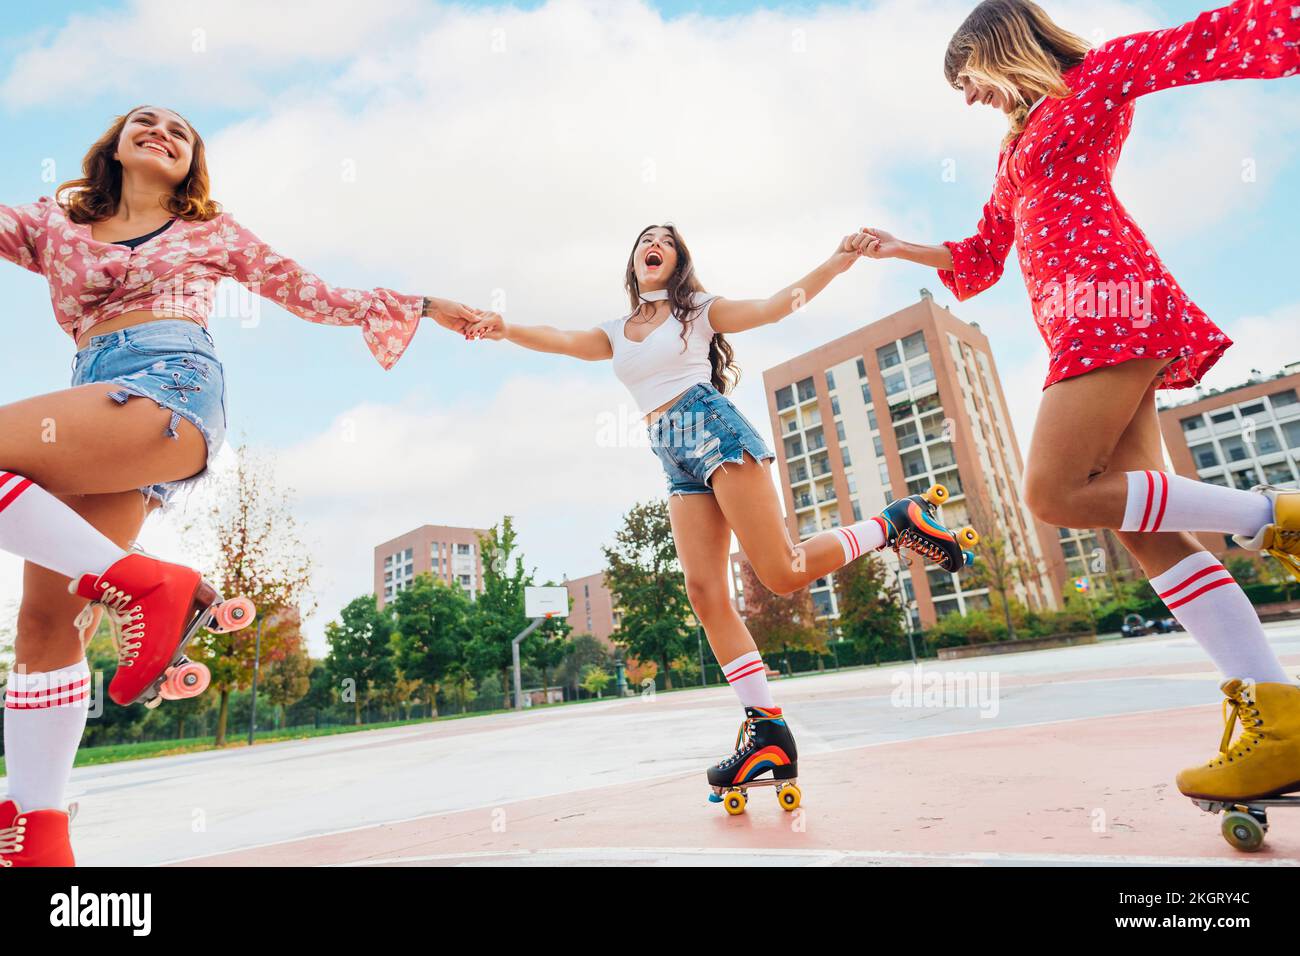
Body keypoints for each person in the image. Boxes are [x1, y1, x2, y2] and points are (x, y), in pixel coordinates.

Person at [0, 105, 484, 866]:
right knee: (44, 628)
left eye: (180, 132)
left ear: (192, 164)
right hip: (91, 406)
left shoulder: (212, 234)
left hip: (170, 383)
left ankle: (145, 585)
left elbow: (311, 293)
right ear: (113, 147)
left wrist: (418, 305)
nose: (161, 130)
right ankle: (40, 841)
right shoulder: (52, 227)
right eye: (144, 121)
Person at [858, 0, 1300, 805]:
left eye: (968, 79)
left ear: (1000, 47)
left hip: (1113, 298)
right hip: (1073, 317)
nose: (967, 98)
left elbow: (1206, 41)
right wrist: (898, 247)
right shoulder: (1013, 149)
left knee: (1052, 492)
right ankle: (1278, 715)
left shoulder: (1094, 79)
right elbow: (984, 254)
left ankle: (1273, 515)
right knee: (1146, 534)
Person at [460, 223, 976, 813]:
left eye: (666, 239)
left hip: (713, 428)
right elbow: (558, 337)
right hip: (672, 450)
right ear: (634, 260)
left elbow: (776, 305)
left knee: (782, 571)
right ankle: (768, 731)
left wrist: (836, 260)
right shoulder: (615, 332)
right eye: (644, 238)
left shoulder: (697, 311)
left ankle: (895, 521)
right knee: (705, 592)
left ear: (677, 259)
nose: (653, 243)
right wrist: (503, 327)